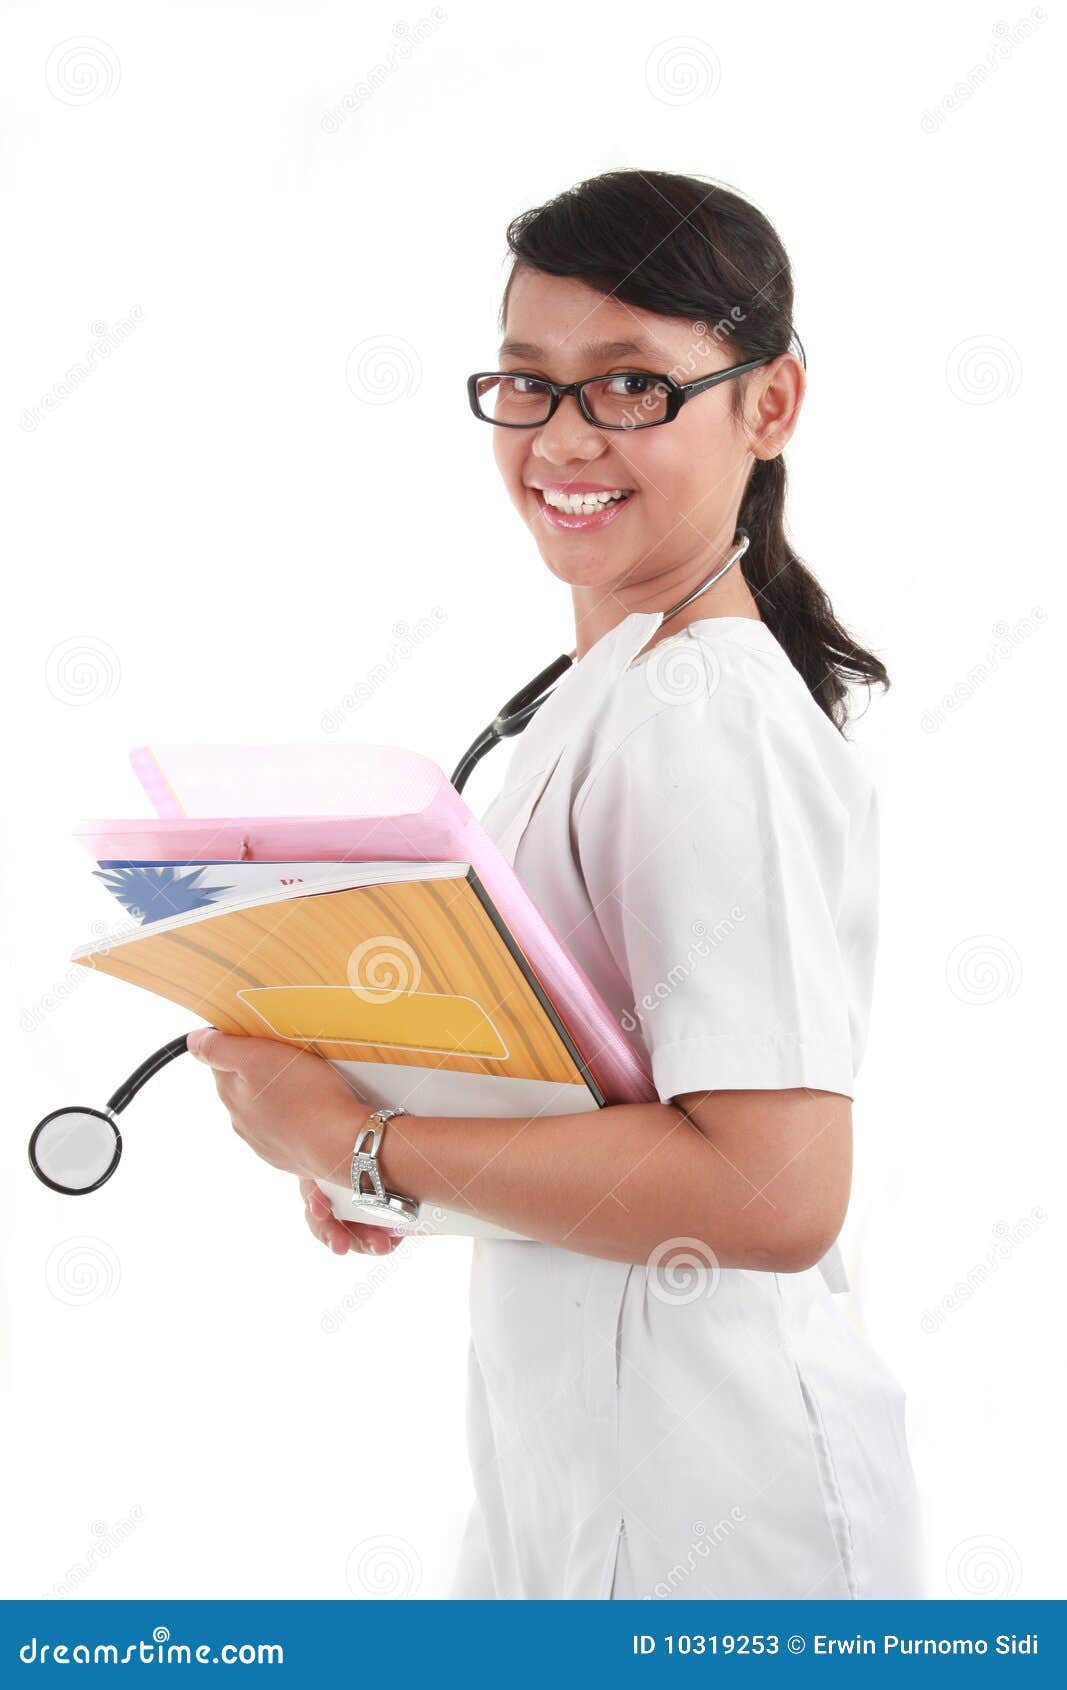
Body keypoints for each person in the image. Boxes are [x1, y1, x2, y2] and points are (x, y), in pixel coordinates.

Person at [188, 169, 926, 1600]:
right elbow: (614, 1098)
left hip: (725, 1518)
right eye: (526, 385)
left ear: (769, 407)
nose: (563, 437)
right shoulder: (616, 692)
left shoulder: (704, 715)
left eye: (633, 385)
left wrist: (362, 1148)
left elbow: (775, 1191)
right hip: (581, 1469)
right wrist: (393, 1141)